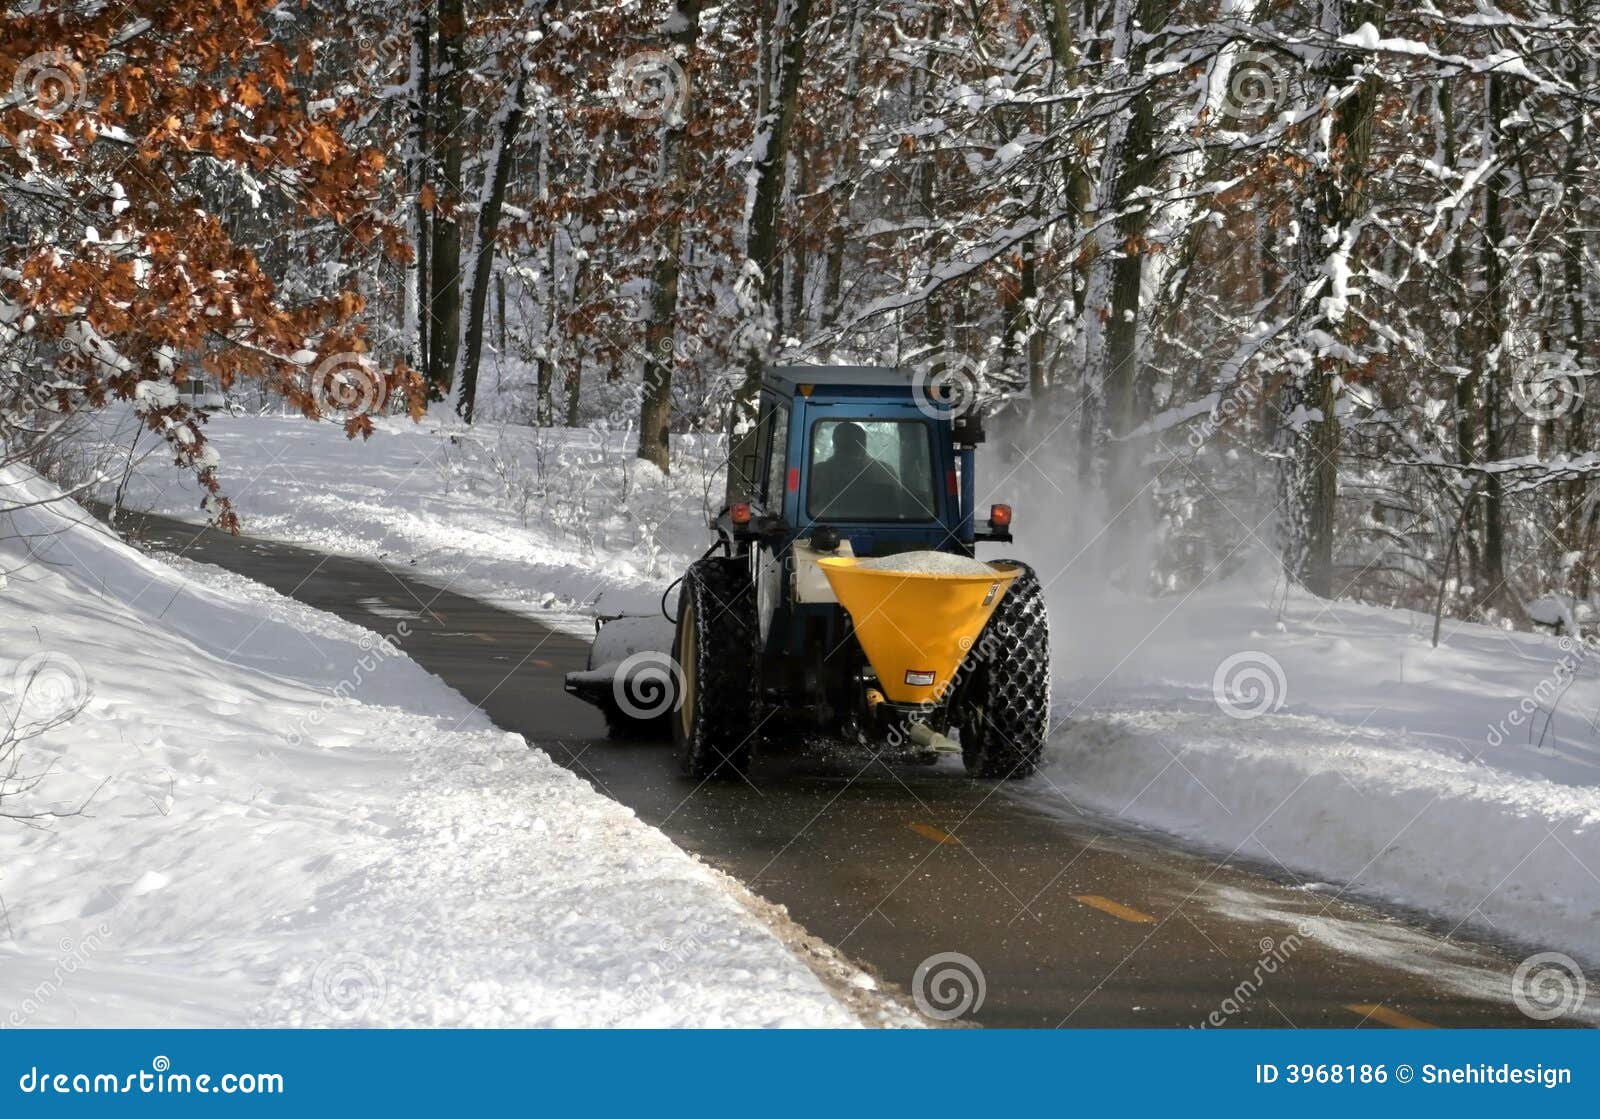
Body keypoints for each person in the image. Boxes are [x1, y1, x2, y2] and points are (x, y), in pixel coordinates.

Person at [810, 421, 901, 519]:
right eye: (845, 445)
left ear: (834, 445)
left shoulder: (817, 472)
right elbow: (899, 508)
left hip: (825, 532)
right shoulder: (884, 471)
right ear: (864, 445)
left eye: (848, 445)